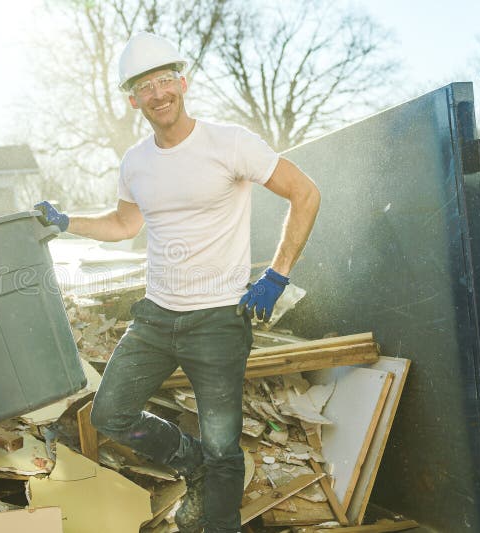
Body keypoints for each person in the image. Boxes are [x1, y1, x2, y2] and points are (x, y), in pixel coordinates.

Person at [35, 31, 320, 533]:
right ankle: (194, 468)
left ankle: (219, 519)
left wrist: (277, 274)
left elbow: (305, 192)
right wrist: (65, 223)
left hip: (218, 321)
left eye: (166, 80)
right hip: (156, 317)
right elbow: (124, 225)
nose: (159, 93)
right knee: (111, 416)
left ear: (182, 83)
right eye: (146, 86)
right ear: (133, 99)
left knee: (223, 445)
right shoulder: (136, 162)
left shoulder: (229, 142)